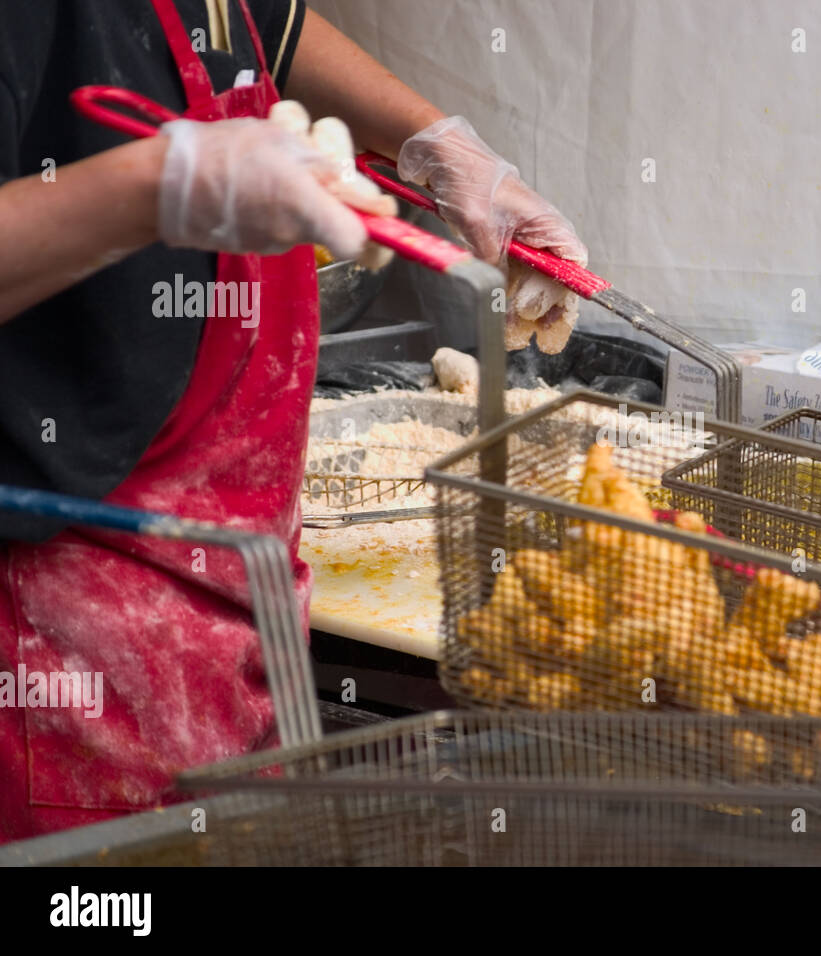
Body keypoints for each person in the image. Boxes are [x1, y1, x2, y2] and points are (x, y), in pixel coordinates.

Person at [0, 0, 586, 844]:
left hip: (245, 589)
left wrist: (438, 146)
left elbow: (265, 24)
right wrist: (153, 189)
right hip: (69, 623)